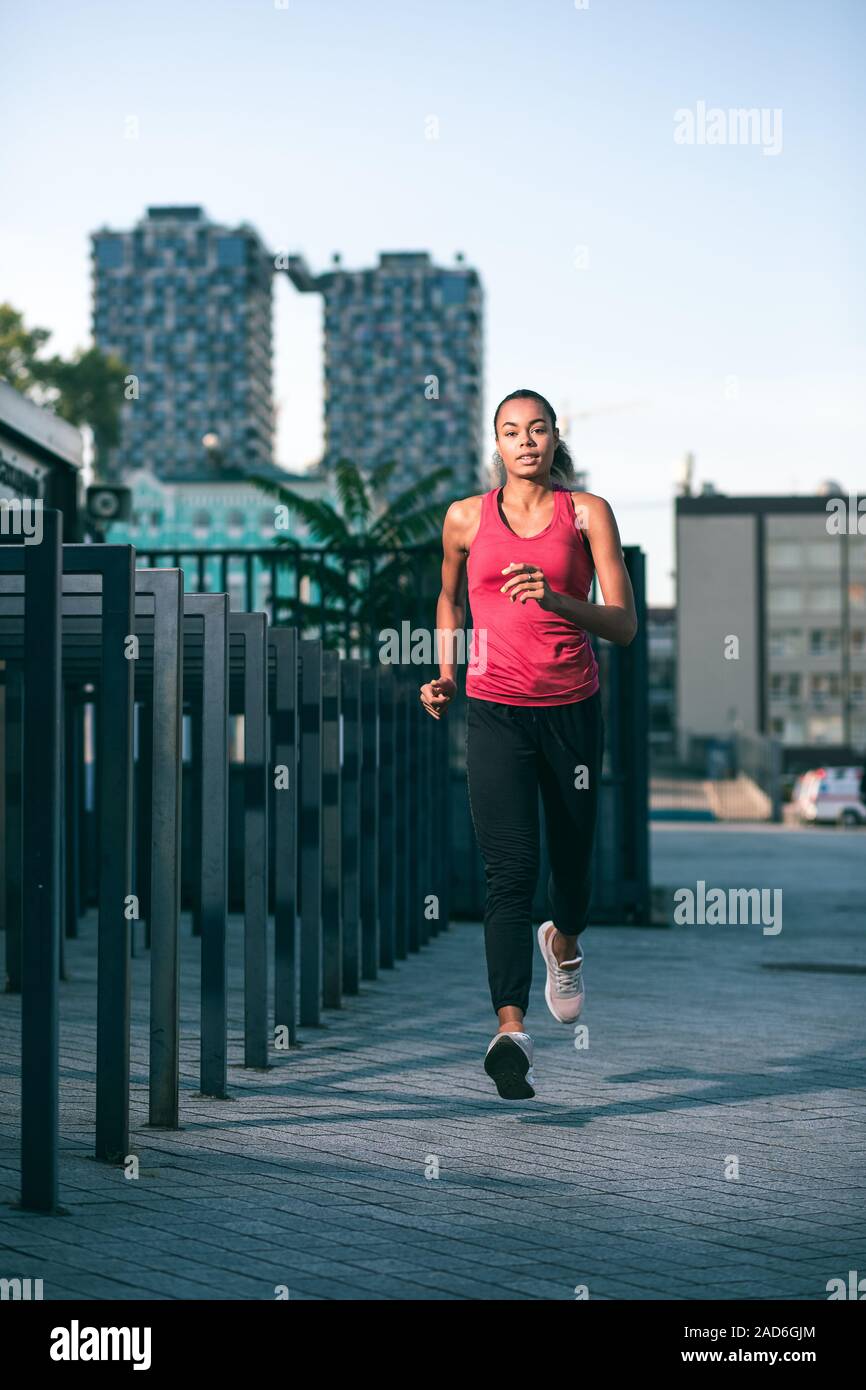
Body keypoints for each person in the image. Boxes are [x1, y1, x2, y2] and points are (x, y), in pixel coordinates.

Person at [420, 389, 637, 1100]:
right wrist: (448, 672)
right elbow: (450, 598)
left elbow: (624, 625)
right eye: (511, 431)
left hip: (571, 711)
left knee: (571, 868)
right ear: (497, 443)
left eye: (537, 429)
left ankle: (564, 944)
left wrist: (554, 599)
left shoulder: (587, 514)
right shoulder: (462, 518)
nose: (525, 442)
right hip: (494, 714)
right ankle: (510, 1030)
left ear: (552, 439)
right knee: (508, 874)